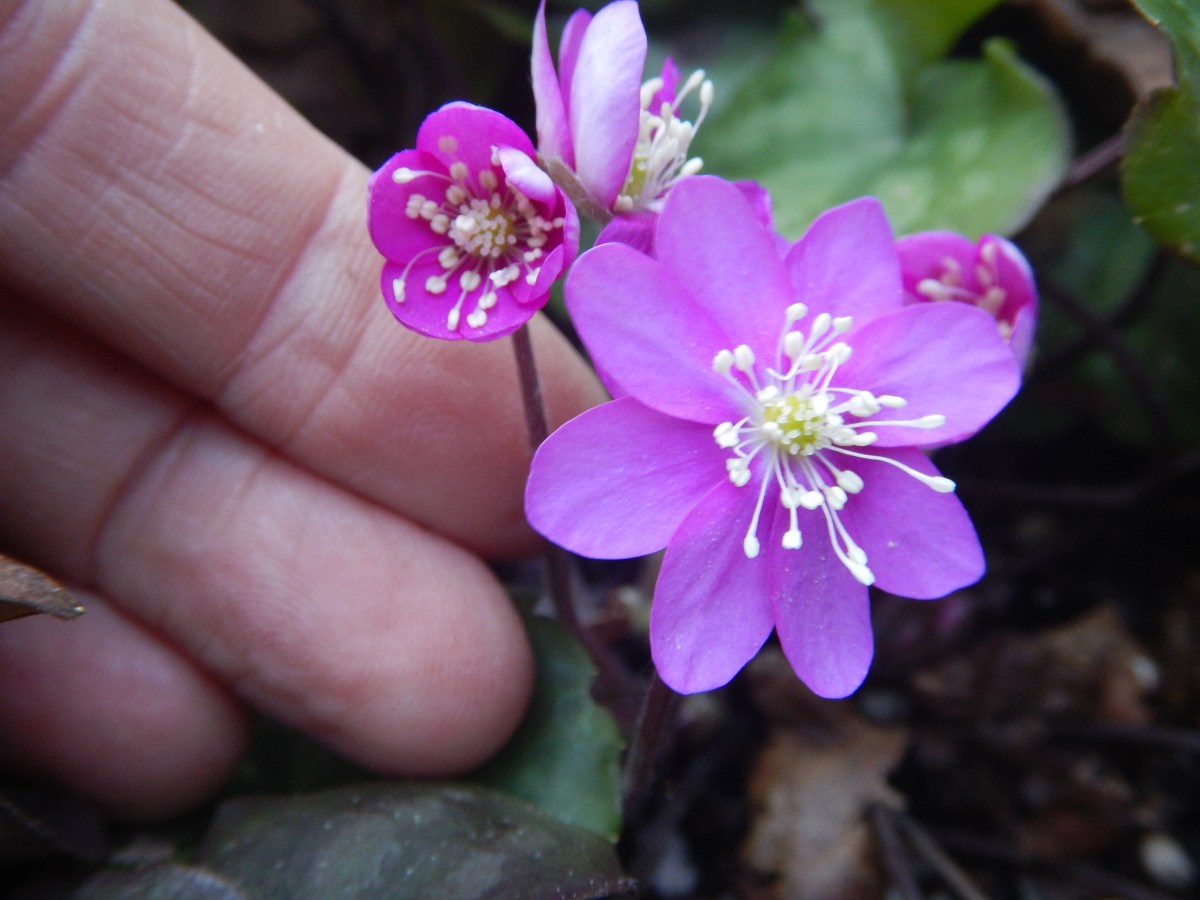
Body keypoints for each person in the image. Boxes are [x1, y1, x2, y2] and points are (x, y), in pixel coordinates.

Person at [0, 0, 602, 820]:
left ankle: (594, 615)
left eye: (505, 214)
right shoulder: (452, 239)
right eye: (476, 213)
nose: (484, 223)